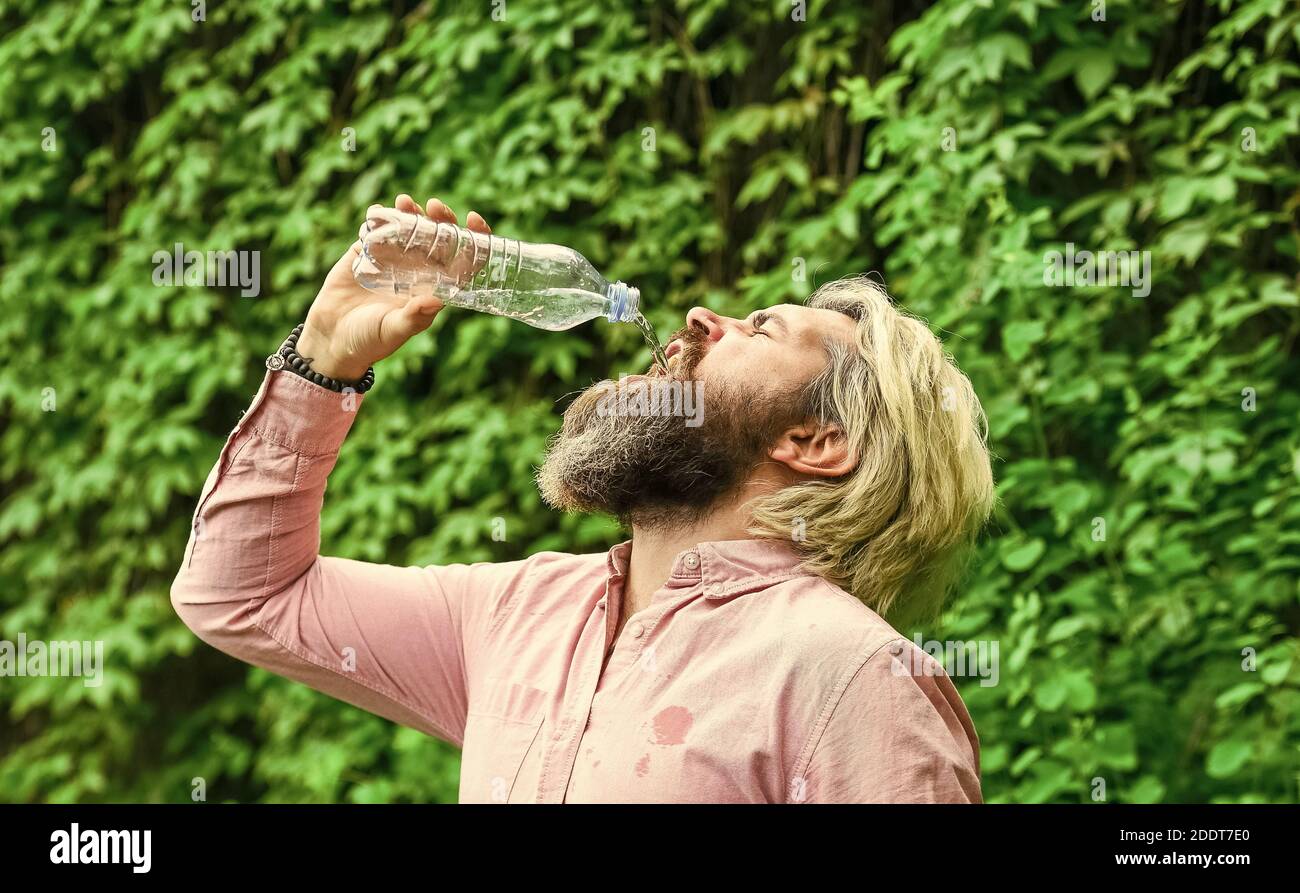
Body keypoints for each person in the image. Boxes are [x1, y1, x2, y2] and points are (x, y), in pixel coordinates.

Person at [170, 192, 995, 803]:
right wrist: (323, 359)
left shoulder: (857, 680)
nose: (705, 316)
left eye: (762, 328)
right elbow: (245, 594)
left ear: (816, 442)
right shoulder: (516, 612)